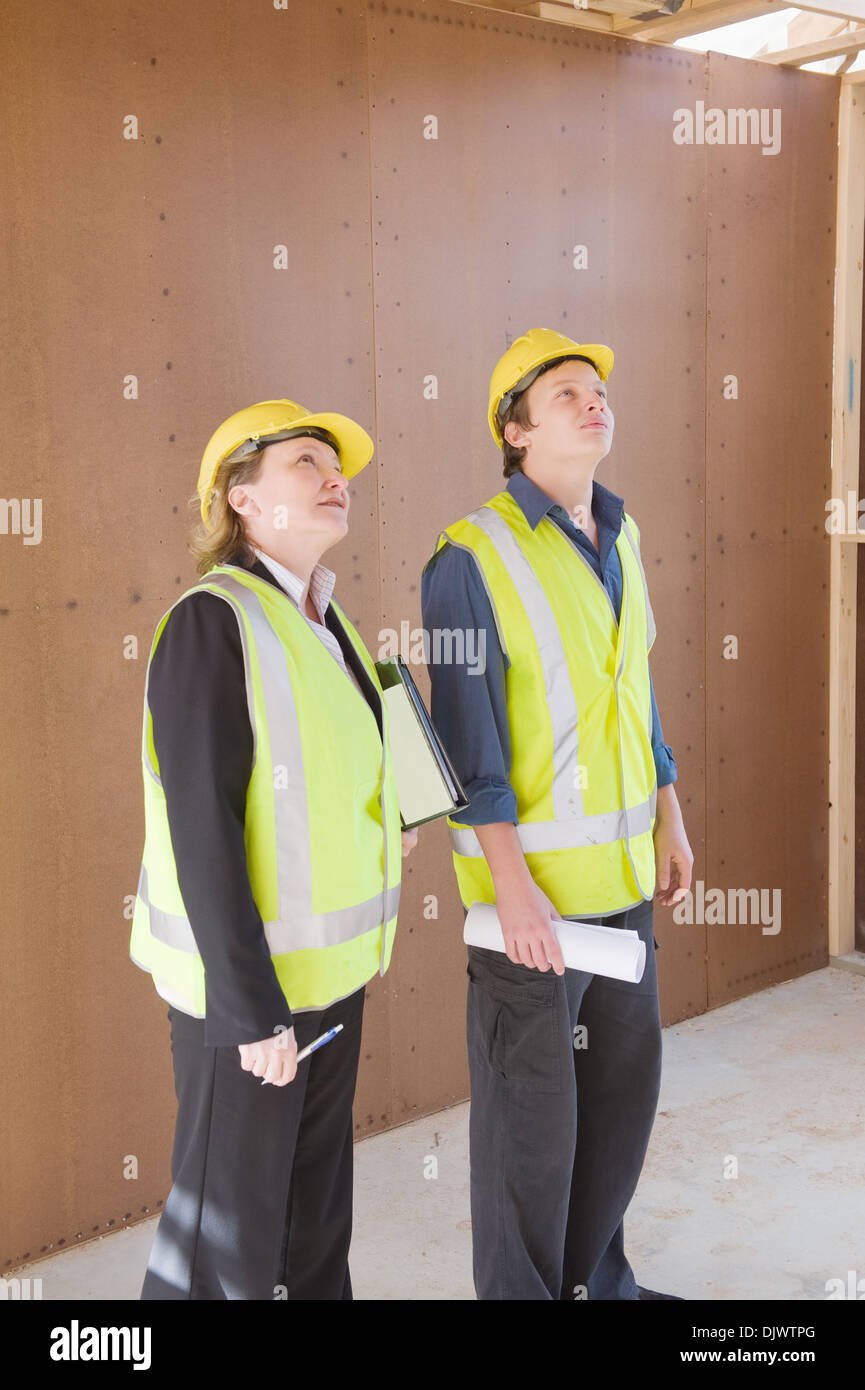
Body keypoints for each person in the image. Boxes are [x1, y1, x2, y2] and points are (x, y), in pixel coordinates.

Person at [421, 328, 694, 1301]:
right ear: (515, 430)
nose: (592, 402)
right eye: (566, 393)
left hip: (622, 884)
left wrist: (668, 808)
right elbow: (468, 748)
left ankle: (596, 1286)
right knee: (529, 1131)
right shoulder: (468, 557)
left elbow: (634, 692)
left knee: (619, 1104)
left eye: (597, 390)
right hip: (530, 907)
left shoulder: (620, 533)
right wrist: (510, 888)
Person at [130, 397, 417, 1300]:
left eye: (337, 467)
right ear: (241, 499)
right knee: (221, 1249)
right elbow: (202, 827)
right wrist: (249, 1010)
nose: (336, 479)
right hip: (249, 1002)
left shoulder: (327, 623)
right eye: (306, 463)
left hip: (329, 980)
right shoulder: (211, 621)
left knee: (311, 1226)